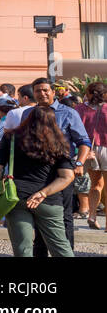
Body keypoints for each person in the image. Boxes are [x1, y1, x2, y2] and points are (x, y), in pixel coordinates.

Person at [0, 105, 75, 257]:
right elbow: (67, 176)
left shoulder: (12, 137)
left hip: (16, 198)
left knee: (23, 248)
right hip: (49, 200)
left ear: (27, 119)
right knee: (60, 247)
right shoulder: (58, 143)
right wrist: (43, 193)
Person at [27, 77, 91, 256]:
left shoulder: (68, 113)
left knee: (64, 214)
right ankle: (39, 252)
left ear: (53, 92)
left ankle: (66, 251)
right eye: (38, 90)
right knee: (38, 210)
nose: (42, 93)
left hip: (63, 170)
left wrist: (79, 163)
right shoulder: (28, 114)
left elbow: (84, 141)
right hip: (36, 170)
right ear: (34, 93)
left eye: (45, 90)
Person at [75, 81, 107, 230]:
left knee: (96, 184)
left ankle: (92, 215)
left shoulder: (80, 109)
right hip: (106, 148)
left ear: (87, 93)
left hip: (88, 150)